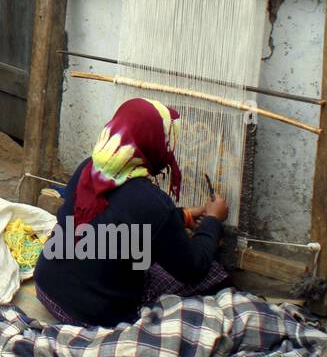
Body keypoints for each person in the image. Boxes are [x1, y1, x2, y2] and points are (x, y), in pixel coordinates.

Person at [33, 97, 230, 328]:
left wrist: (183, 216)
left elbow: (121, 219)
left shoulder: (88, 168)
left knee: (137, 248)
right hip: (91, 316)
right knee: (212, 271)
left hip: (46, 287)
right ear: (154, 144)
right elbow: (193, 269)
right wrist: (213, 221)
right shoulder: (152, 202)